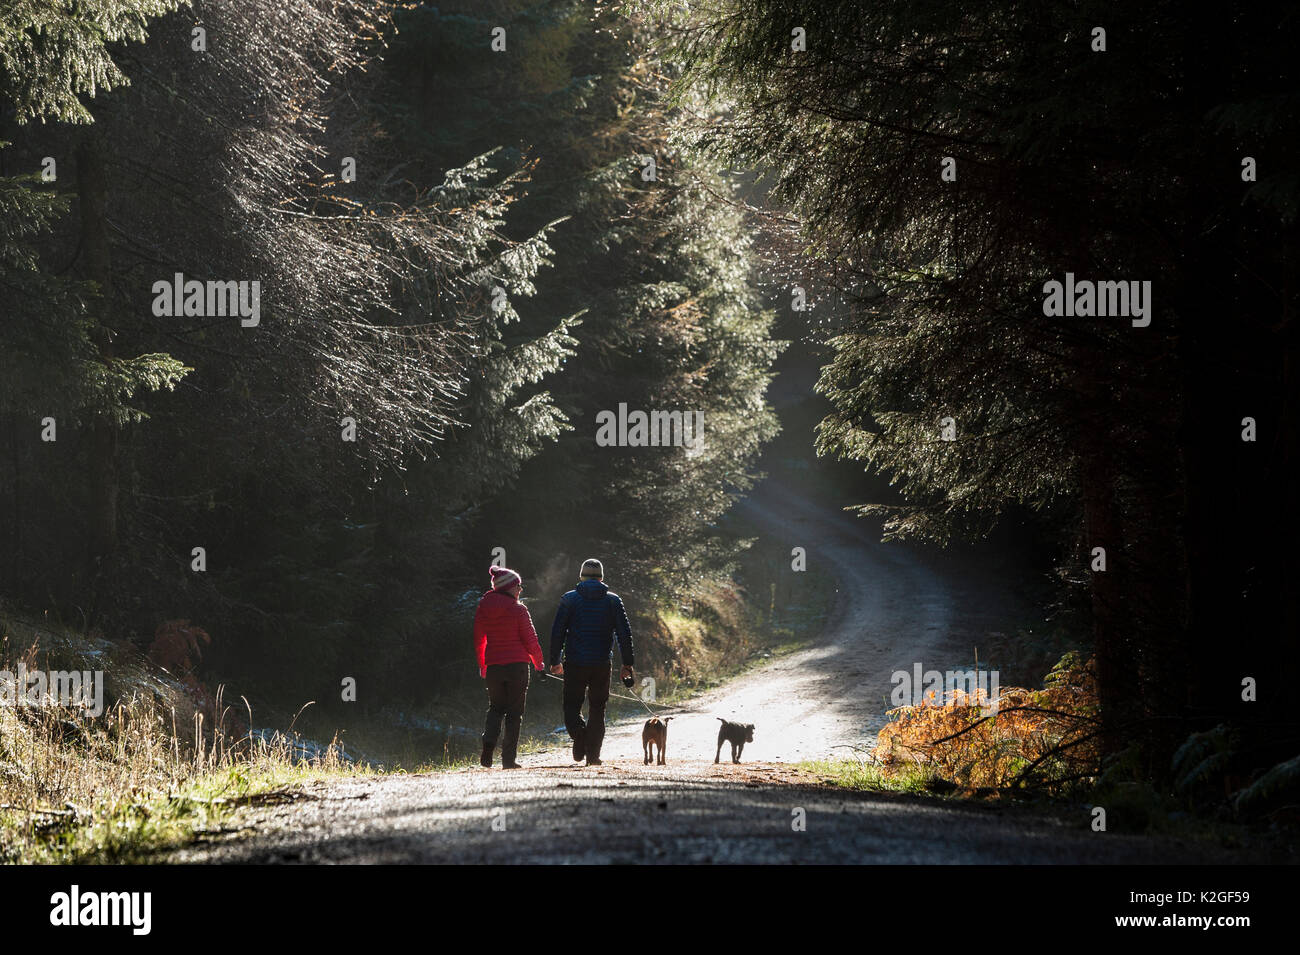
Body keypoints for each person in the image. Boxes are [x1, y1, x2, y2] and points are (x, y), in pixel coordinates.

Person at [549, 558, 633, 766]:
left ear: (581, 576)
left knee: (571, 704)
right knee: (598, 708)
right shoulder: (613, 600)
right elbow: (624, 634)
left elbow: (557, 631)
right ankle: (593, 756)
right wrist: (628, 664)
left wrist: (554, 660)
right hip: (602, 663)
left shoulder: (569, 599)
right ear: (601, 577)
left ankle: (579, 734)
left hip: (575, 662)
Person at [473, 565, 544, 768]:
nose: (520, 589)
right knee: (514, 713)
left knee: (495, 708)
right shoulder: (518, 609)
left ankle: (488, 746)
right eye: (518, 586)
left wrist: (482, 665)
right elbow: (530, 640)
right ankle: (508, 760)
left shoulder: (483, 608)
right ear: (509, 588)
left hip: (494, 667)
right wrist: (539, 664)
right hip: (518, 667)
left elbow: (479, 640)